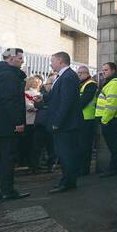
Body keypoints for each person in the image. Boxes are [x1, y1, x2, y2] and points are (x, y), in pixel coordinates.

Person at [0, 48, 29, 200]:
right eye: (20, 58)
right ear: (10, 59)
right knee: (7, 159)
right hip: (7, 126)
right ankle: (7, 191)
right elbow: (9, 100)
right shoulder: (8, 75)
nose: (22, 61)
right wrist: (18, 122)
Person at [45, 51, 82, 193]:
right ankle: (66, 180)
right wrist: (43, 99)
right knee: (63, 153)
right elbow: (56, 98)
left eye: (52, 61)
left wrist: (57, 122)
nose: (51, 63)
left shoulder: (68, 77)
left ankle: (68, 183)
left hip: (66, 125)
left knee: (66, 154)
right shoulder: (63, 76)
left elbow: (66, 102)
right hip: (65, 124)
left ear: (60, 61)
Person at [96, 62, 117, 177]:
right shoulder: (110, 83)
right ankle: (113, 169)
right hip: (109, 120)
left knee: (114, 147)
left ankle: (113, 170)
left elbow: (112, 104)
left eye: (106, 70)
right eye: (102, 70)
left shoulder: (114, 83)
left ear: (113, 70)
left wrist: (105, 120)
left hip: (110, 120)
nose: (103, 72)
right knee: (114, 147)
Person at [77, 65, 99, 177]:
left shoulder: (91, 84)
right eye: (78, 73)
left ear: (87, 73)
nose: (79, 75)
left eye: (81, 73)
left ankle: (84, 169)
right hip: (82, 118)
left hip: (87, 118)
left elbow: (84, 101)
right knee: (80, 145)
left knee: (85, 145)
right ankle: (81, 168)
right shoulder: (81, 84)